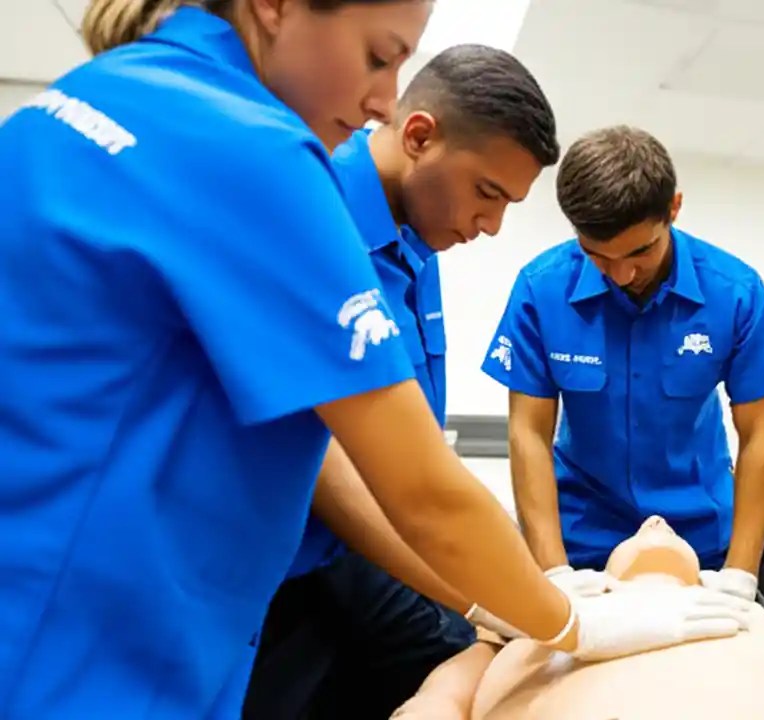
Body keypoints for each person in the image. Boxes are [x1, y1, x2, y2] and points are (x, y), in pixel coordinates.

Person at [0, 0, 753, 715]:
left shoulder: (83, 101)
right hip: (99, 628)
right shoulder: (259, 153)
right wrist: (562, 619)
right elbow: (412, 485)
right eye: (377, 56)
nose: (381, 101)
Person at [243, 43, 560, 720]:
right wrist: (482, 593)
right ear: (419, 136)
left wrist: (506, 576)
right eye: (487, 193)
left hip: (355, 568)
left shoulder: (417, 242)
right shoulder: (314, 218)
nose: (491, 226)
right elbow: (347, 472)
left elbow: (417, 449)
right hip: (275, 581)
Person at [480, 125, 764, 603]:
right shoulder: (540, 291)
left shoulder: (736, 292)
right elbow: (528, 433)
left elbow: (759, 435)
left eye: (640, 251)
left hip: (701, 547)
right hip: (581, 544)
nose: (622, 274)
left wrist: (740, 574)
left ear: (673, 208)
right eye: (598, 256)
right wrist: (553, 572)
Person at [389, 515, 764, 720]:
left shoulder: (742, 615)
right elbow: (441, 697)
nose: (656, 521)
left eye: (663, 528)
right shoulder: (542, 614)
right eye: (635, 531)